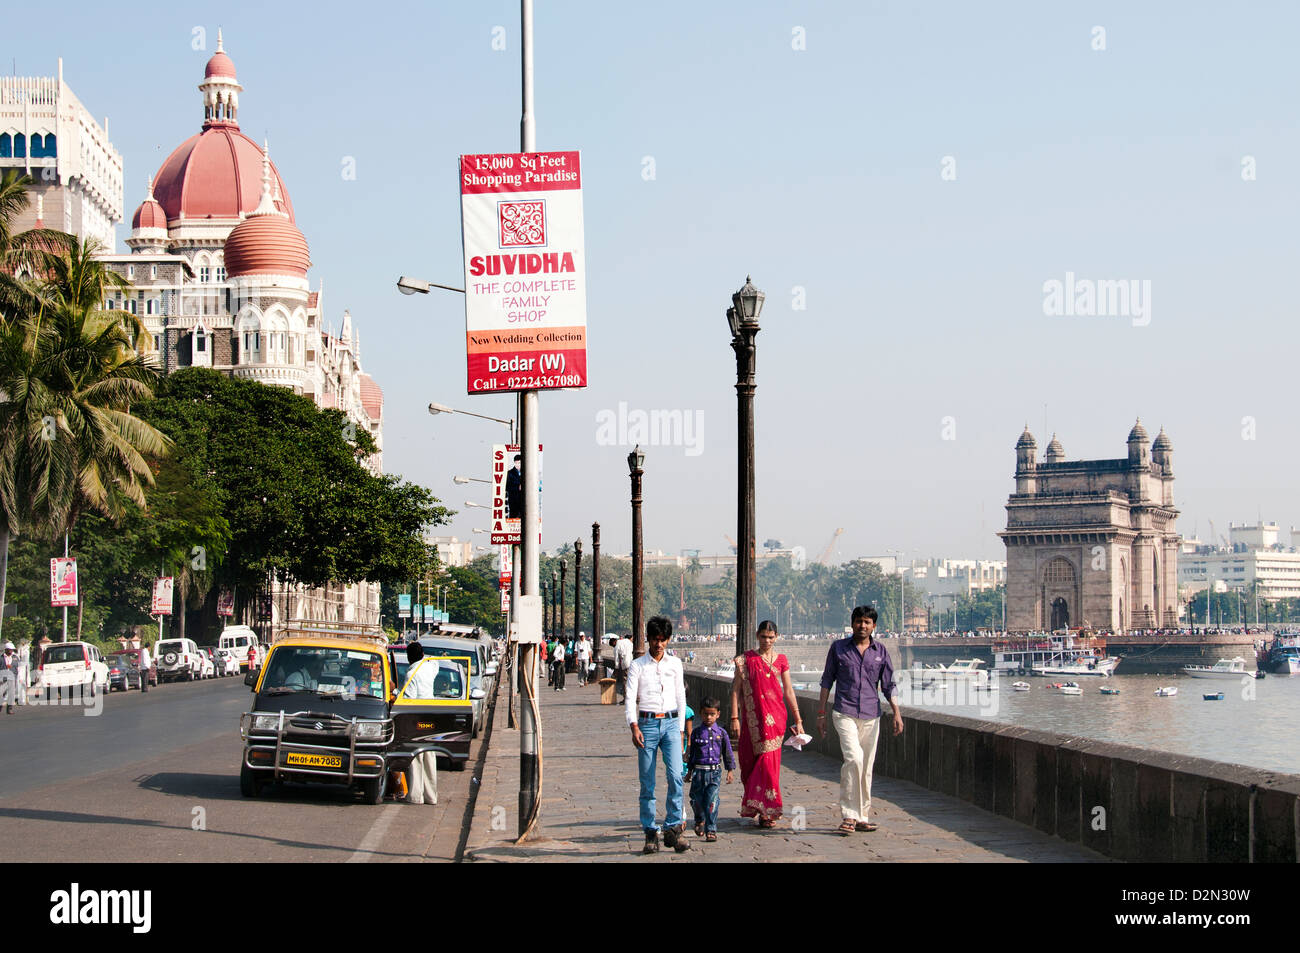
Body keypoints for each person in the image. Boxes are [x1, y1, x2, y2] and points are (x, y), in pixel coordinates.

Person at [817, 605, 903, 835]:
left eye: (867, 622)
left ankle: (863, 815)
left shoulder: (881, 652)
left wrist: (896, 712)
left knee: (866, 766)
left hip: (871, 714)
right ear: (852, 623)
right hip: (844, 711)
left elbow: (889, 685)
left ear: (874, 626)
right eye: (858, 621)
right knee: (854, 759)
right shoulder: (839, 649)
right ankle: (849, 814)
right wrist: (821, 714)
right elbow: (827, 681)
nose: (862, 626)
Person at [729, 620, 805, 828]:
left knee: (769, 766)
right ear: (757, 636)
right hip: (754, 721)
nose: (767, 641)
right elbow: (736, 690)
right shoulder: (746, 660)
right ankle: (759, 806)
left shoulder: (781, 660)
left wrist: (798, 719)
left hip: (775, 720)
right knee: (751, 764)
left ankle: (767, 811)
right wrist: (734, 717)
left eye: (771, 637)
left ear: (777, 637)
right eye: (763, 637)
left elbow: (788, 691)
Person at [627, 615, 689, 854]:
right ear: (648, 639)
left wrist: (682, 728)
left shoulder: (675, 664)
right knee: (647, 782)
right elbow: (631, 698)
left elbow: (681, 697)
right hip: (647, 724)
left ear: (668, 640)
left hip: (672, 723)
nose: (659, 644)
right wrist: (633, 725)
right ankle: (650, 830)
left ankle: (674, 827)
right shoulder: (637, 665)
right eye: (655, 639)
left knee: (676, 776)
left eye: (663, 640)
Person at [685, 697, 735, 842]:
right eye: (706, 714)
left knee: (712, 801)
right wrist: (689, 772)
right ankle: (700, 819)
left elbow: (728, 753)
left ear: (718, 714)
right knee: (696, 800)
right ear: (701, 713)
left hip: (714, 772)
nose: (709, 717)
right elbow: (692, 754)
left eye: (712, 714)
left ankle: (711, 829)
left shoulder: (721, 733)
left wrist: (730, 770)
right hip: (699, 772)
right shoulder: (696, 733)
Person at [614, 633, 633, 703]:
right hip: (632, 663)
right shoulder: (629, 643)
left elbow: (616, 657)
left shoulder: (618, 644)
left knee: (625, 681)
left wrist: (616, 667)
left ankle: (626, 698)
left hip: (625, 664)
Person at [1, 642, 18, 713]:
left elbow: (17, 668)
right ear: (6, 650)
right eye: (10, 650)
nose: (11, 651)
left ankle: (9, 709)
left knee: (11, 694)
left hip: (12, 678)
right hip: (3, 678)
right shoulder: (1, 658)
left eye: (12, 650)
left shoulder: (15, 658)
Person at [505, 454, 523, 519]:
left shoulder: (527, 473)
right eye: (516, 463)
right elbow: (507, 487)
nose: (518, 465)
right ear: (514, 463)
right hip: (513, 501)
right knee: (513, 518)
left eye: (519, 463)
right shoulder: (510, 473)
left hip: (524, 502)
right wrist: (517, 487)